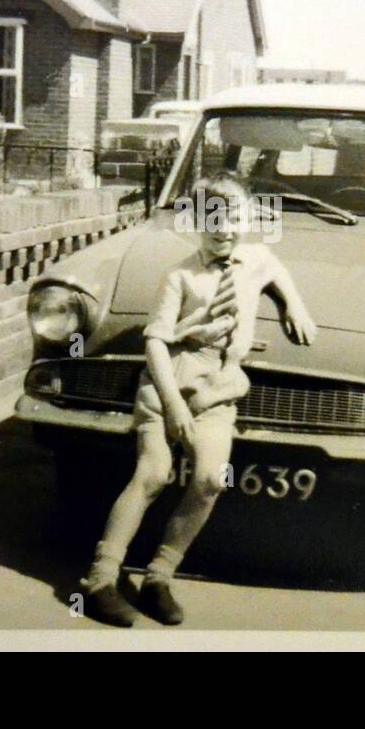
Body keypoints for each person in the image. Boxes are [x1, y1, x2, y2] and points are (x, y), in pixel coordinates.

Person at [80, 171, 316, 626]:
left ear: (247, 218)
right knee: (153, 473)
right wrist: (173, 408)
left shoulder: (256, 258)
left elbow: (277, 271)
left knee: (210, 478)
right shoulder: (181, 276)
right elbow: (155, 345)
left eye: (233, 218)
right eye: (213, 218)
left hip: (219, 385)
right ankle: (99, 580)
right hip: (170, 379)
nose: (224, 228)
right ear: (195, 220)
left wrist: (293, 303)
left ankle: (159, 576)